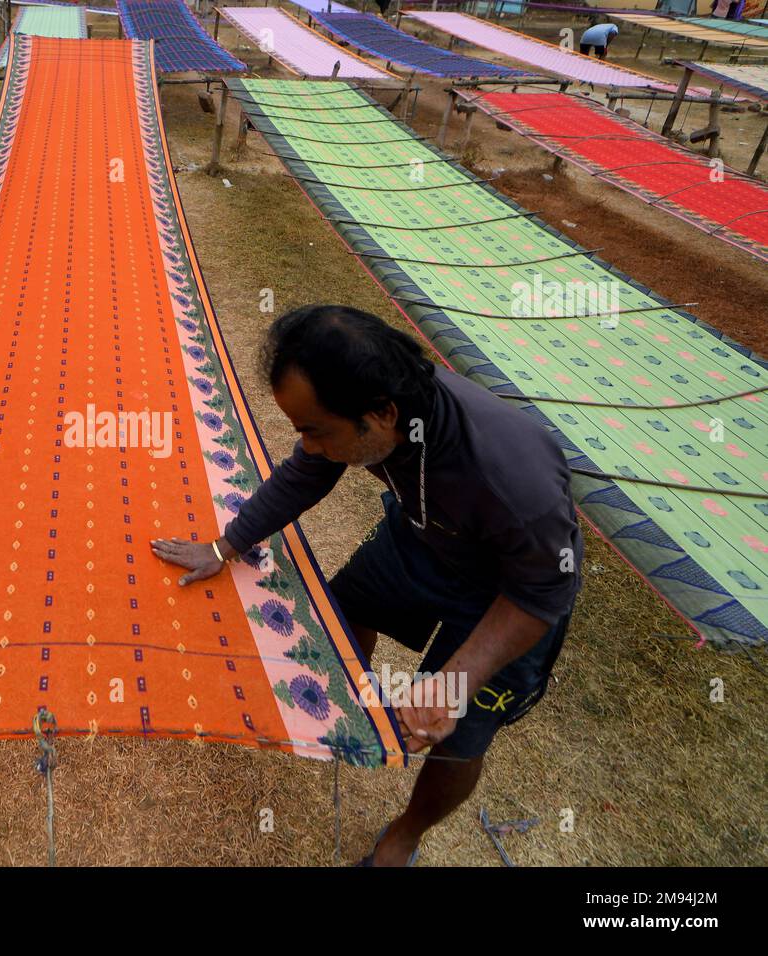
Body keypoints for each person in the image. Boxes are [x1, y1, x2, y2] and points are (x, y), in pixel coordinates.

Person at [151, 306, 581, 866]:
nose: (307, 443)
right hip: (422, 536)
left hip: (508, 591)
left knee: (457, 738)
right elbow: (308, 471)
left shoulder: (513, 479)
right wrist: (223, 546)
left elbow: (543, 593)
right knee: (342, 614)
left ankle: (406, 834)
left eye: (315, 430)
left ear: (381, 414)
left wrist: (453, 683)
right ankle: (361, 710)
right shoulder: (378, 411)